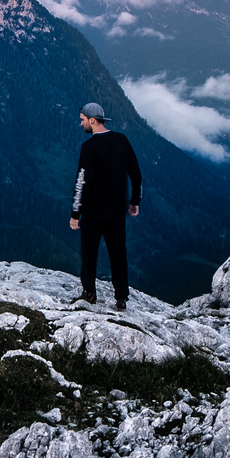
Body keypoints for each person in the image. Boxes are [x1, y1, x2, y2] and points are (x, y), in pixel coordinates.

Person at [69, 102, 141, 309]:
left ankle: (89, 293)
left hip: (93, 212)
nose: (81, 124)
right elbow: (136, 174)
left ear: (92, 120)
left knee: (89, 254)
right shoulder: (122, 140)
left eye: (83, 120)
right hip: (117, 212)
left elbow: (81, 182)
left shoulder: (89, 147)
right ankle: (121, 297)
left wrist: (76, 213)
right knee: (118, 253)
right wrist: (134, 201)